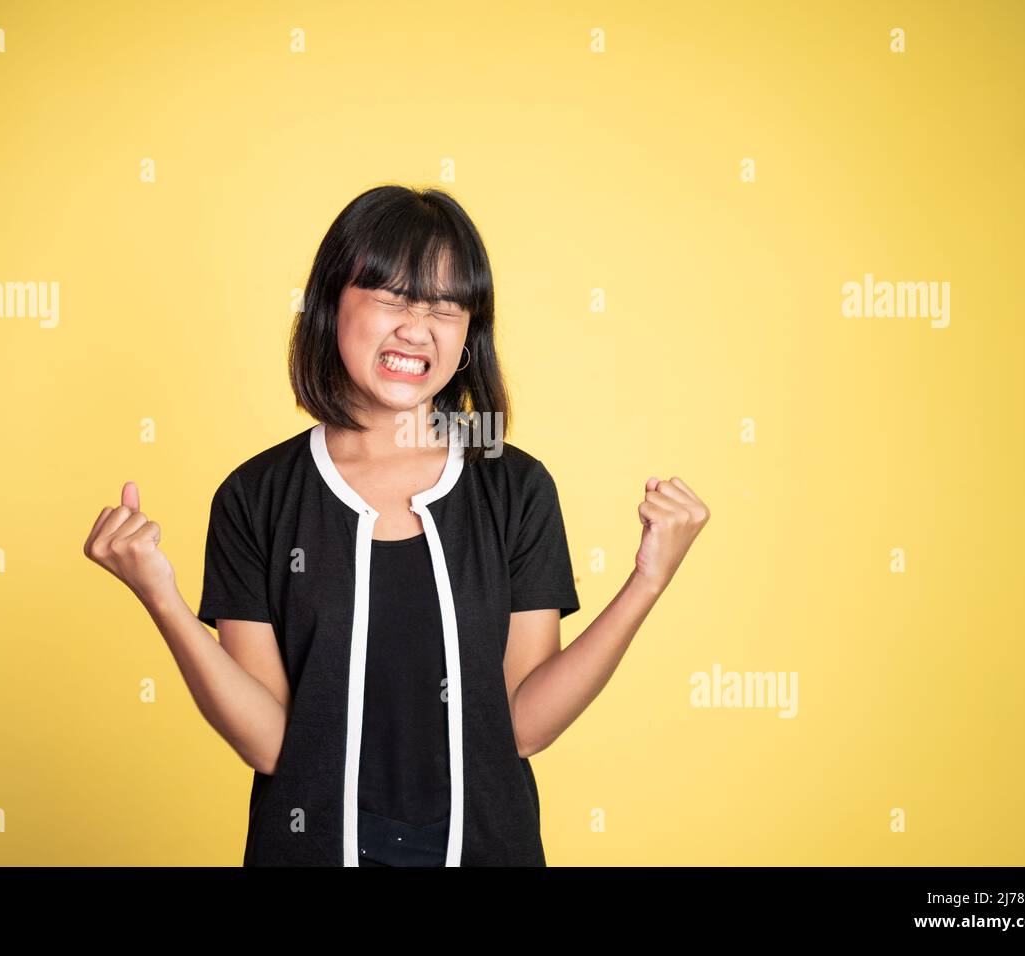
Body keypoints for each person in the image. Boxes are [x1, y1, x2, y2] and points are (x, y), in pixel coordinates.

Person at [83, 185, 710, 866]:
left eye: (445, 306)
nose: (417, 328)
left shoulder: (515, 488)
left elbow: (523, 725)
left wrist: (647, 582)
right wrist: (162, 599)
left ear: (470, 333)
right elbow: (269, 744)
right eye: (392, 298)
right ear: (331, 303)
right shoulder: (256, 496)